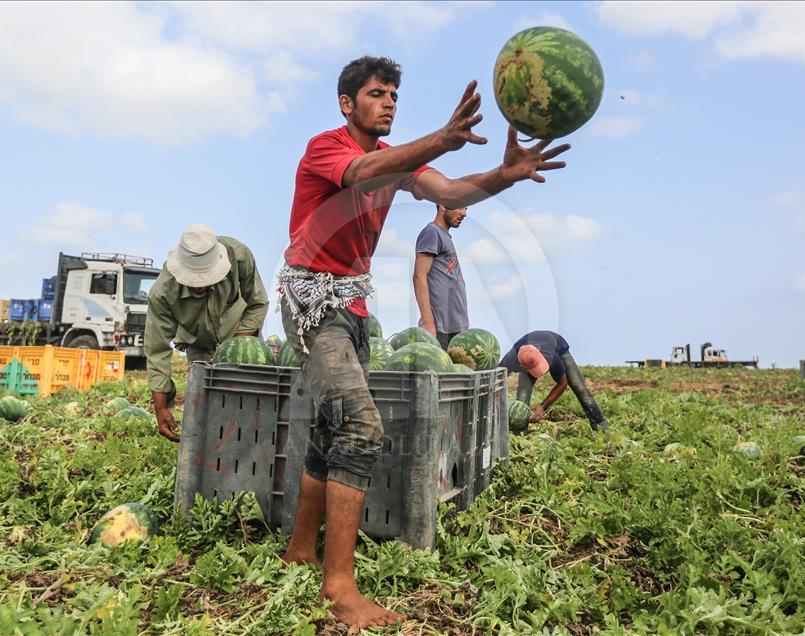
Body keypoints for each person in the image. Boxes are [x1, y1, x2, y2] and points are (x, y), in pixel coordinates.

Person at [277, 55, 570, 629]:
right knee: (362, 428)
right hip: (311, 303)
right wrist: (441, 138)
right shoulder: (326, 148)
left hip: (353, 304)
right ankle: (338, 588)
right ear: (347, 103)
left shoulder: (398, 161)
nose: (388, 102)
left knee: (330, 429)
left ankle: (300, 551)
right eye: (376, 94)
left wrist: (501, 176)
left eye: (393, 95)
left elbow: (452, 185)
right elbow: (362, 174)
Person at [144, 225, 269, 442]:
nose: (200, 288)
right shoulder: (162, 293)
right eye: (193, 283)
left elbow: (258, 303)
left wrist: (237, 346)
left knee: (248, 406)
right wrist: (161, 407)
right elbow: (157, 350)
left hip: (240, 333)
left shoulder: (238, 256)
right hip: (198, 344)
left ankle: (249, 449)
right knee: (205, 410)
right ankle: (212, 456)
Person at [499, 330, 609, 432]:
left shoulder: (551, 357)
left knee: (579, 387)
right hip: (527, 354)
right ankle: (519, 432)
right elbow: (496, 378)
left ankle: (601, 426)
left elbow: (563, 383)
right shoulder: (511, 359)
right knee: (522, 396)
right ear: (521, 366)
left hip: (558, 346)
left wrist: (542, 406)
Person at [413, 204, 469, 349]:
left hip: (455, 327)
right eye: (460, 206)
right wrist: (428, 322)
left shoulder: (444, 235)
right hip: (439, 329)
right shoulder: (432, 232)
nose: (464, 213)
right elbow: (419, 276)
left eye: (466, 208)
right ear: (442, 205)